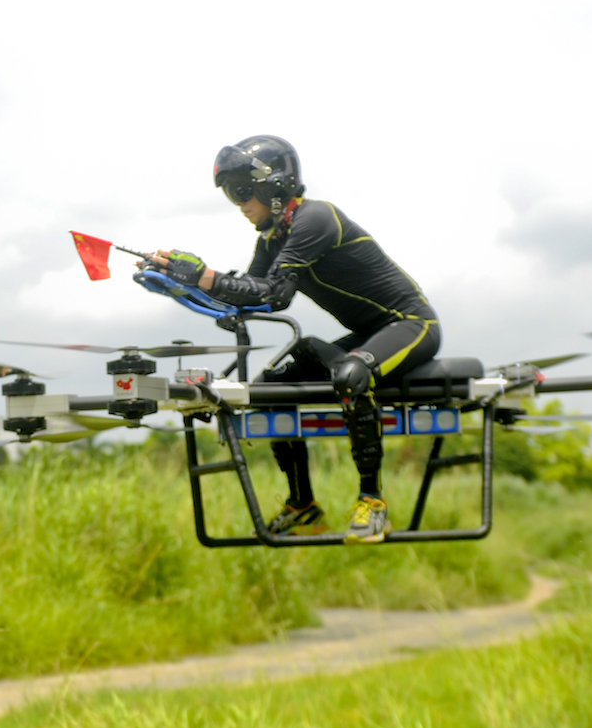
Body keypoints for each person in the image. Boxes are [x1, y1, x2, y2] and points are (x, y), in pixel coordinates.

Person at [149, 135, 440, 544]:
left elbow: (275, 294)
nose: (240, 205)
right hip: (370, 333)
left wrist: (204, 276)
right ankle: (303, 505)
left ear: (274, 185)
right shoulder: (271, 238)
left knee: (352, 374)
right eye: (233, 196)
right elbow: (251, 295)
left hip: (412, 324)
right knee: (271, 387)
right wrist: (176, 277)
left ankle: (373, 503)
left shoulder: (316, 218)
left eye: (242, 192)